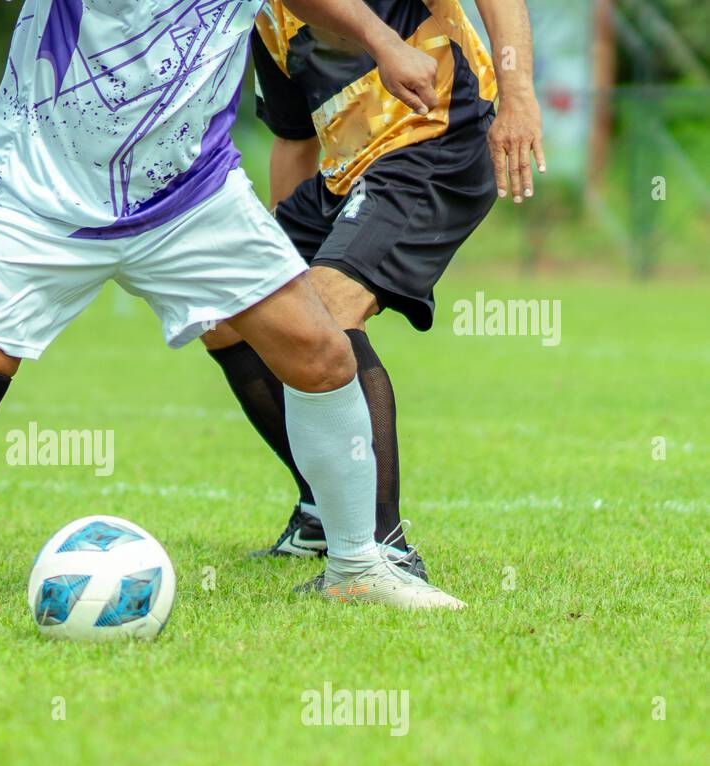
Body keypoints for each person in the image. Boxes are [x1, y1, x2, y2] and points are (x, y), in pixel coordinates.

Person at [0, 0, 467, 613]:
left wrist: (382, 40)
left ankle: (357, 567)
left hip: (192, 196)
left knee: (321, 355)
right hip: (40, 195)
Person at [202, 0, 545, 580]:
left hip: (436, 143)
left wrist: (519, 93)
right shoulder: (264, 17)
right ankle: (322, 511)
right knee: (229, 313)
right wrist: (278, 263)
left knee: (332, 311)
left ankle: (383, 550)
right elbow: (293, 139)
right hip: (344, 174)